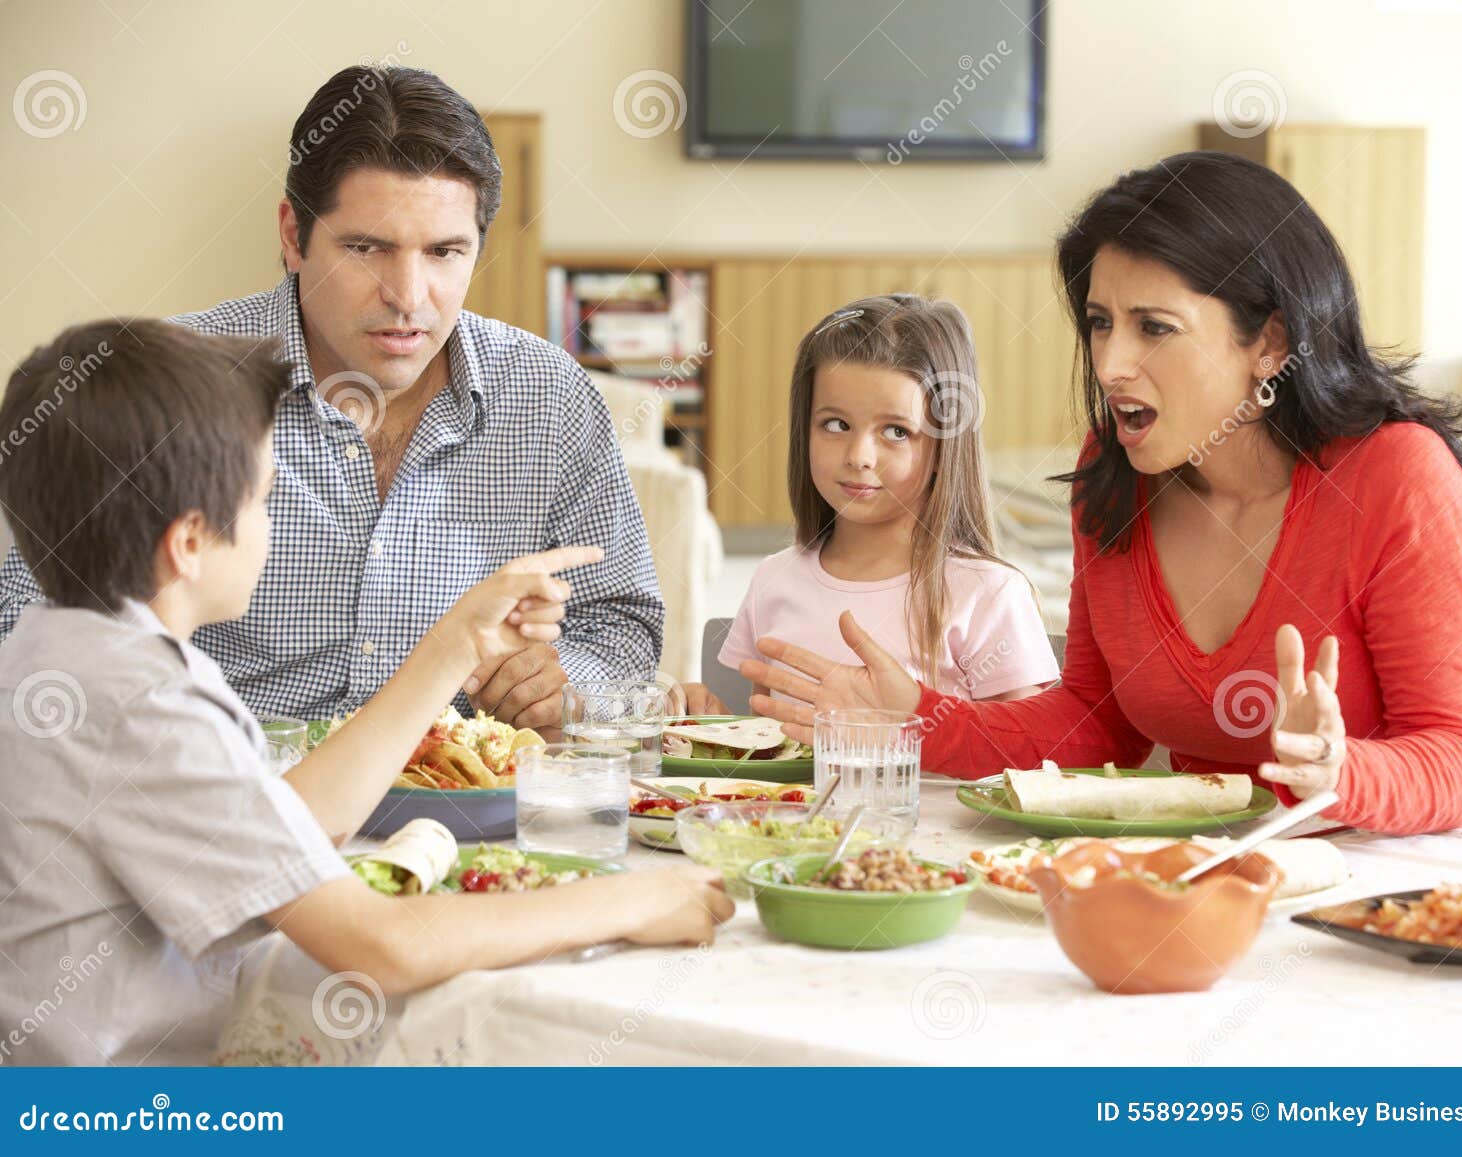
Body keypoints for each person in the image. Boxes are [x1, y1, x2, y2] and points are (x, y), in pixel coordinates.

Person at [0, 321, 732, 1066]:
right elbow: (380, 946)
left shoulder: (65, 648)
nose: (270, 526)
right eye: (263, 500)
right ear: (190, 542)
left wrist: (458, 645)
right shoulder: (144, 706)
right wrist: (629, 900)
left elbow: (287, 824)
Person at [739, 152, 1462, 838]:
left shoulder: (1399, 478)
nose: (1110, 363)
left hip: (1427, 900)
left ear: (1271, 343)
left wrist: (1340, 769)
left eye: (1154, 327)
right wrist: (916, 714)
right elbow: (1092, 726)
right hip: (1225, 883)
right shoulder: (1115, 473)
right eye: (1100, 322)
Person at [0, 65, 664, 731]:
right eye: (367, 248)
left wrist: (562, 682)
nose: (408, 296)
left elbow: (623, 624)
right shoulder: (177, 381)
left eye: (444, 252)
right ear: (294, 236)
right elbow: (28, 624)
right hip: (222, 798)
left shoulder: (550, 395)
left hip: (461, 811)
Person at [682, 294, 1058, 715]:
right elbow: (773, 745)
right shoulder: (774, 579)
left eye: (896, 431)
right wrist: (705, 724)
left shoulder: (989, 593)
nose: (859, 455)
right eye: (836, 424)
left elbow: (1026, 761)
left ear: (946, 447)